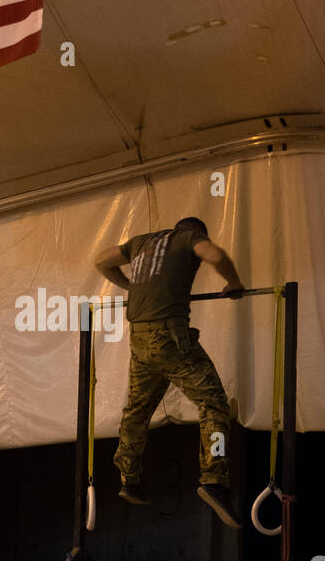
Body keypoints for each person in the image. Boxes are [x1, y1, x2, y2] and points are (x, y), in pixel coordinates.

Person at [94, 217, 245, 527]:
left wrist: (130, 284)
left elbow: (101, 260)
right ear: (195, 231)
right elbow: (216, 255)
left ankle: (129, 477)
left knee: (138, 409)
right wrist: (234, 283)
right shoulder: (190, 238)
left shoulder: (141, 242)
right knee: (213, 402)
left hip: (139, 340)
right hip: (170, 337)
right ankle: (214, 478)